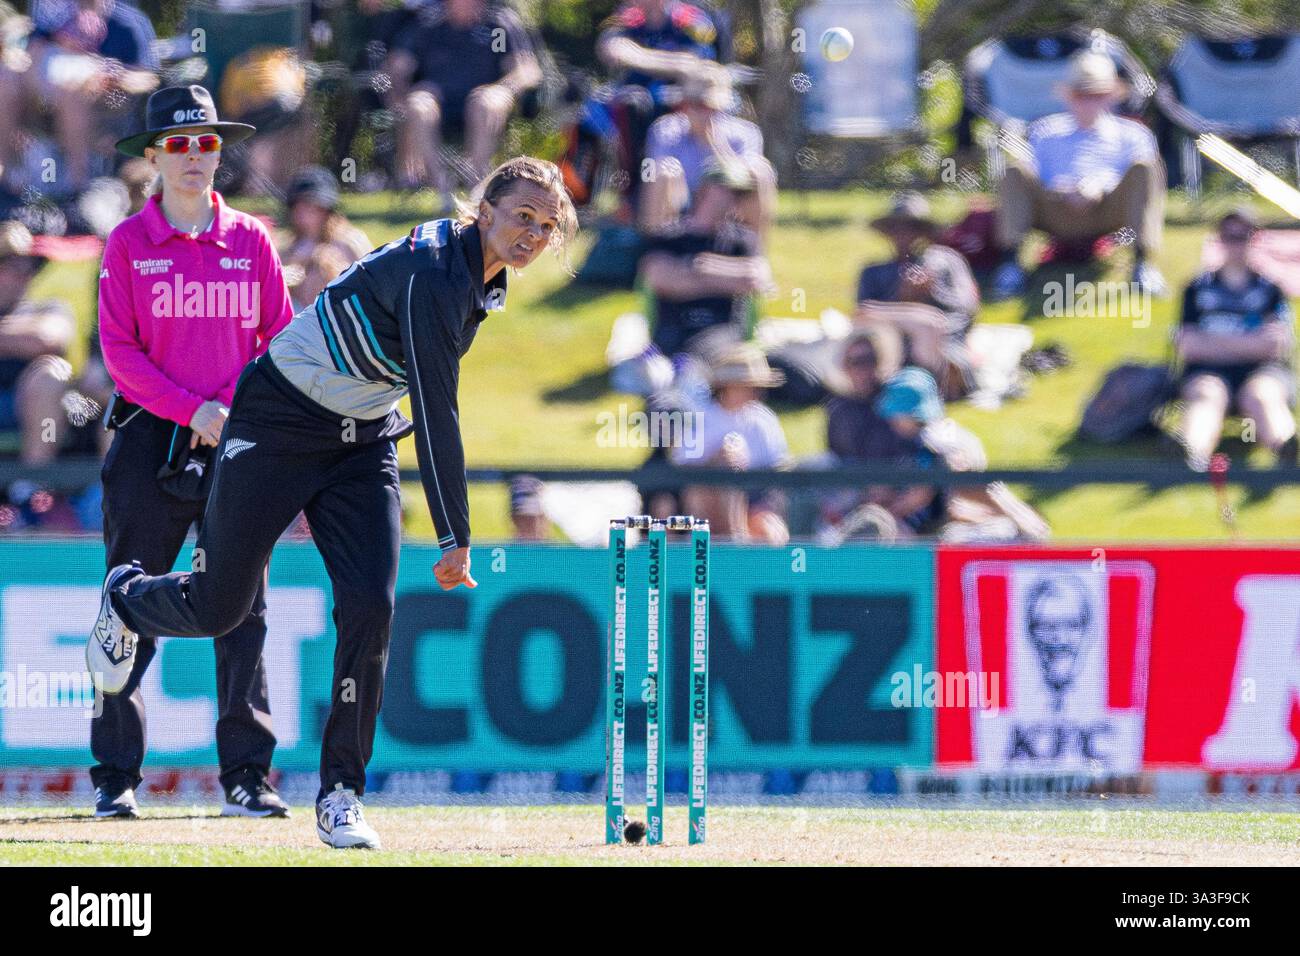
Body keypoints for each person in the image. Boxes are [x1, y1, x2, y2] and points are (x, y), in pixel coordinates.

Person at [87, 156, 577, 849]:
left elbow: (408, 392)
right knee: (219, 605)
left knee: (371, 606)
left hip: (362, 438)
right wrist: (453, 534)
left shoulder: (483, 278)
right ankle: (129, 597)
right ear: (484, 210)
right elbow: (438, 410)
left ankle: (341, 793)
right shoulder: (437, 273)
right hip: (280, 419)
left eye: (547, 226)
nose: (532, 233)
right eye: (521, 216)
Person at [91, 85, 294, 819]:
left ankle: (248, 777)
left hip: (238, 445)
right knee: (127, 603)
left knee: (244, 609)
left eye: (205, 143)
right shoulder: (127, 244)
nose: (193, 157)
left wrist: (234, 411)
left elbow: (280, 341)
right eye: (177, 144)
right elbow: (121, 354)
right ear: (151, 157)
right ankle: (116, 778)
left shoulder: (252, 240)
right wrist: (193, 409)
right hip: (151, 441)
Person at [992, 50, 1166, 300]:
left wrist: (1098, 189)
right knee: (1014, 169)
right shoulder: (1046, 131)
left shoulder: (1133, 134)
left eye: (1096, 95)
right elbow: (1032, 172)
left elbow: (1144, 178)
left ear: (1110, 97)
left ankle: (1143, 264)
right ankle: (1010, 264)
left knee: (1145, 167)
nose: (1087, 102)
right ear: (1068, 96)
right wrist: (1064, 189)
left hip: (1110, 212)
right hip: (1054, 209)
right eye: (1081, 94)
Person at [1175, 208, 1297, 469]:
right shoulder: (1196, 288)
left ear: (1255, 240)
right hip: (1207, 372)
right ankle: (1191, 454)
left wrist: (1214, 342)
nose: (1235, 243)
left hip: (1263, 372)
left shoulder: (1270, 288)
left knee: (1262, 395)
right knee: (1208, 395)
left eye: (1243, 236)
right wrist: (1250, 344)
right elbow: (1188, 346)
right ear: (1219, 239)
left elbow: (1276, 346)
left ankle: (1287, 449)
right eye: (1229, 236)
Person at [387, 0, 542, 197]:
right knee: (418, 103)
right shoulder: (428, 24)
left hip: (484, 102)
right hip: (438, 101)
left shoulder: (498, 25)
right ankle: (441, 188)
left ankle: (476, 186)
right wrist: (405, 94)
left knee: (484, 102)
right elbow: (397, 67)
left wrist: (502, 89)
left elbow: (527, 70)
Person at [596, 0, 727, 214]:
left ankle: (652, 195)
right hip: (633, 100)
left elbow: (694, 63)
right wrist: (667, 62)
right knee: (611, 108)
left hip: (679, 97)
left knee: (650, 103)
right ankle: (621, 196)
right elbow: (609, 50)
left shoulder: (690, 18)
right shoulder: (628, 18)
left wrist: (638, 56)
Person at [855, 192, 979, 399]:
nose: (903, 234)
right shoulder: (874, 271)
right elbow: (862, 314)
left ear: (924, 231)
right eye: (896, 228)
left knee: (935, 339)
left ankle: (942, 380)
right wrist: (902, 298)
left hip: (942, 339)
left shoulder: (946, 261)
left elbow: (967, 306)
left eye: (911, 227)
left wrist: (933, 293)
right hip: (892, 343)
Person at [670, 342, 790, 543]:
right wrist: (716, 462)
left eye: (755, 385)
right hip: (703, 505)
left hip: (755, 502)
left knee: (771, 533)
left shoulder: (764, 420)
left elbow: (778, 471)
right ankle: (730, 545)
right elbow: (680, 468)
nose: (754, 392)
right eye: (746, 385)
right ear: (726, 386)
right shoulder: (700, 418)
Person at [640, 63, 774, 239]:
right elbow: (652, 178)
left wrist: (715, 143)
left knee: (760, 172)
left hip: (728, 204)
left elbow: (744, 183)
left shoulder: (744, 133)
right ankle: (657, 250)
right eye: (696, 105)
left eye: (710, 106)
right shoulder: (665, 130)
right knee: (663, 171)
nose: (703, 112)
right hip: (682, 204)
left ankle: (754, 254)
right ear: (684, 104)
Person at [0, 220, 76, 466]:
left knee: (50, 373)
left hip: (25, 408)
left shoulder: (47, 308)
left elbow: (47, 338)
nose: (25, 274)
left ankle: (32, 489)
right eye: (12, 264)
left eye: (29, 265)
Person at [278, 165, 373, 310]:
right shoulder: (286, 246)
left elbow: (373, 284)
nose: (306, 212)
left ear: (328, 209)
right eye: (301, 205)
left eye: (313, 206)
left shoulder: (349, 242)